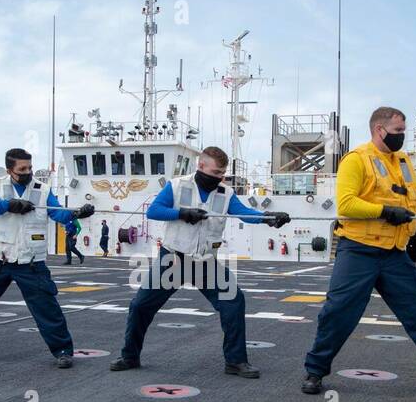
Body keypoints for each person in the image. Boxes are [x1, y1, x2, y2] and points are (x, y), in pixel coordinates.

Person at [302, 107, 416, 402]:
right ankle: (315, 371)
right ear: (379, 130)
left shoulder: (403, 161)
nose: (402, 137)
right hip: (358, 251)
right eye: (398, 131)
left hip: (393, 254)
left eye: (403, 131)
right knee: (338, 315)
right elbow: (345, 205)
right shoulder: (356, 160)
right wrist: (386, 212)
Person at [109, 146, 289, 378]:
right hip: (173, 258)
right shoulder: (176, 185)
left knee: (234, 301)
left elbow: (244, 213)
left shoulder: (226, 193)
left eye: (222, 174)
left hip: (206, 263)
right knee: (140, 306)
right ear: (201, 166)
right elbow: (153, 211)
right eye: (215, 173)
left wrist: (268, 218)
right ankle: (129, 356)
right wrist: (181, 214)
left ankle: (235, 362)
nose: (218, 178)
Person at [0, 149, 95, 367]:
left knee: (46, 308)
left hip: (31, 260)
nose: (27, 172)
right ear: (10, 170)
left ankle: (63, 351)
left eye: (29, 168)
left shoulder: (43, 190)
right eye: (22, 169)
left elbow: (56, 213)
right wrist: (9, 205)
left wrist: (75, 214)